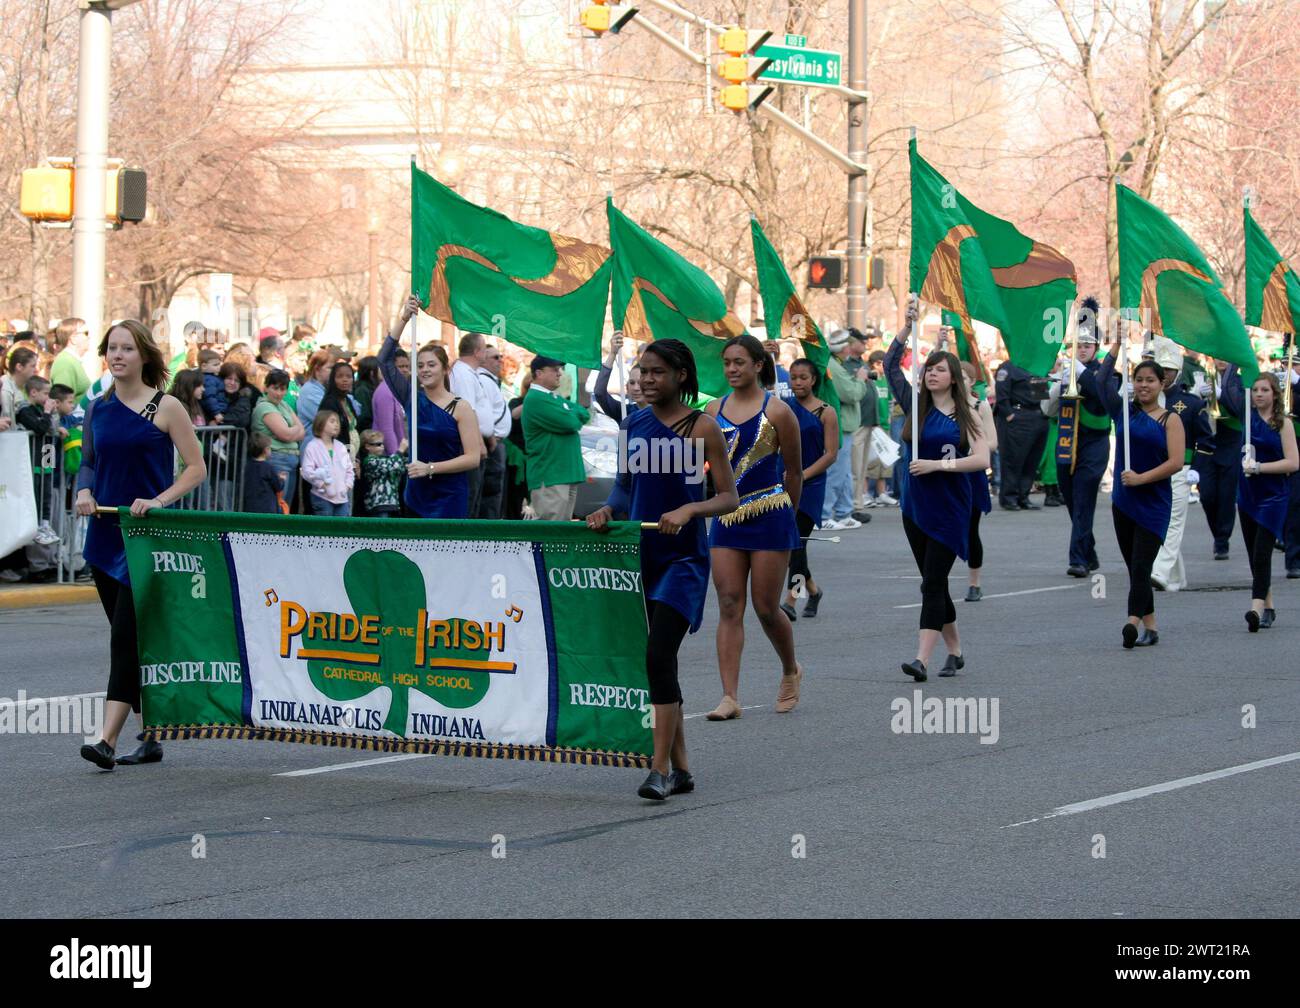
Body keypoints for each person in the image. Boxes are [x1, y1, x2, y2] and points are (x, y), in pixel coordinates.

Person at [586, 339, 738, 800]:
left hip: (684, 559)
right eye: (642, 372)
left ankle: (658, 771)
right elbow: (623, 490)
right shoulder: (632, 424)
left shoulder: (703, 428)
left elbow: (728, 497)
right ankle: (684, 767)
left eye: (656, 372)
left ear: (681, 377)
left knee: (657, 654)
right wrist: (606, 512)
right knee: (659, 661)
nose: (647, 380)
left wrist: (690, 511)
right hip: (641, 556)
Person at [74, 320, 207, 769]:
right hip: (104, 538)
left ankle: (106, 741)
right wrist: (84, 492)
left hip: (145, 541)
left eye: (127, 348)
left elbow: (195, 469)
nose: (117, 356)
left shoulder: (165, 407)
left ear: (144, 356)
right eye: (112, 348)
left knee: (125, 639)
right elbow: (88, 463)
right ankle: (151, 736)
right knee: (134, 641)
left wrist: (159, 499)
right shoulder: (98, 408)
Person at [885, 302, 990, 680]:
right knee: (934, 582)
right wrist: (907, 325)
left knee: (932, 582)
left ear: (953, 378)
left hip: (950, 507)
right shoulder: (916, 406)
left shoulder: (967, 413)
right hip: (915, 506)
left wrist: (938, 465)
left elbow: (981, 459)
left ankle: (921, 660)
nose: (932, 374)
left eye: (940, 369)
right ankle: (955, 650)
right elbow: (888, 365)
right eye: (929, 368)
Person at [704, 333, 804, 720]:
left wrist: (787, 518)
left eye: (739, 362)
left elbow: (794, 471)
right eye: (727, 362)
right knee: (729, 603)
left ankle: (790, 669)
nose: (731, 369)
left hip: (771, 515)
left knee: (765, 607)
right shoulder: (713, 410)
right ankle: (729, 696)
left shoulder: (778, 412)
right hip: (727, 517)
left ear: (758, 365)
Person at [1099, 351, 1184, 649]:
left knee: (1140, 567)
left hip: (1155, 504)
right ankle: (1152, 627)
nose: (1144, 385)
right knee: (1136, 569)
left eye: (1150, 380)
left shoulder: (1171, 420)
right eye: (1139, 379)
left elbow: (1175, 462)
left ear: (1163, 384)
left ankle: (1131, 623)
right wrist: (1115, 347)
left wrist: (1142, 478)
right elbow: (1100, 380)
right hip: (1124, 501)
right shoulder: (1124, 411)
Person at [377, 296, 484, 518]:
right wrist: (404, 318)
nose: (425, 370)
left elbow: (473, 458)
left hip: (450, 497)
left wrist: (430, 468)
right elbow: (384, 360)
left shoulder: (461, 407)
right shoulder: (411, 399)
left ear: (445, 369)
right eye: (420, 365)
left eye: (431, 365)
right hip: (417, 494)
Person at [1043, 298, 1115, 577]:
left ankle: (1078, 560)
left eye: (1087, 345)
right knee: (1072, 500)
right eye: (1078, 345)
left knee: (1084, 497)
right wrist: (1054, 389)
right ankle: (1090, 551)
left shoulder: (1103, 373)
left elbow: (1102, 399)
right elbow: (1047, 411)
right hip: (1066, 442)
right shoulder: (1066, 371)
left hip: (1094, 444)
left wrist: (1082, 375)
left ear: (1096, 348)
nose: (1082, 350)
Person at [1149, 337, 1212, 592]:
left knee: (1173, 520)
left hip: (1180, 469)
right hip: (1153, 470)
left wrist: (1196, 467)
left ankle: (1160, 571)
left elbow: (1206, 441)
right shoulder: (1144, 402)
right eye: (1161, 370)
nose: (1165, 375)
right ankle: (1176, 577)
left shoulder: (1190, 402)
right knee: (1158, 519)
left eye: (1170, 370)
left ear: (1177, 372)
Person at [1237, 371, 1298, 630]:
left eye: (1264, 390)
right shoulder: (1247, 419)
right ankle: (1269, 606)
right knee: (1253, 555)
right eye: (1256, 390)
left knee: (1262, 553)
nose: (1259, 394)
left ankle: (1255, 608)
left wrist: (1260, 467)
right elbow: (1230, 387)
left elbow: (1293, 462)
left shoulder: (1282, 423)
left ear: (1275, 394)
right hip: (1248, 494)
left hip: (1273, 496)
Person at [781, 358, 838, 621]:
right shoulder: (783, 408)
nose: (798, 382)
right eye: (793, 377)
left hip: (811, 484)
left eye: (803, 377)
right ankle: (813, 591)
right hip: (784, 482)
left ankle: (791, 600)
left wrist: (803, 475)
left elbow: (831, 454)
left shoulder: (826, 412)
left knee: (797, 541)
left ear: (813, 380)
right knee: (793, 543)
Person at [522, 354, 590, 521]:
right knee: (551, 537)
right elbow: (571, 422)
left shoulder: (551, 397)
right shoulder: (536, 398)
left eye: (559, 369)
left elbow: (584, 413)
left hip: (562, 474)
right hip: (550, 476)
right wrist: (569, 410)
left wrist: (568, 409)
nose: (559, 373)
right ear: (539, 373)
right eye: (554, 370)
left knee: (561, 537)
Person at [1198, 359, 1246, 560]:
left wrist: (1221, 394)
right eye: (1217, 356)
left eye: (1224, 356)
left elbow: (1239, 408)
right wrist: (1198, 395)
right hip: (1208, 441)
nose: (1220, 360)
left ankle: (1222, 540)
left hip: (1231, 440)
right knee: (1207, 495)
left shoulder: (1239, 380)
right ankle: (1217, 533)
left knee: (1226, 495)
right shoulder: (1203, 375)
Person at [821, 329, 867, 530]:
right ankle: (823, 515)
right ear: (843, 347)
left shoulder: (836, 365)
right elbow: (851, 394)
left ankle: (843, 512)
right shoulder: (835, 367)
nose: (850, 347)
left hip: (845, 426)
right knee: (837, 472)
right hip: (839, 427)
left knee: (844, 473)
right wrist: (861, 380)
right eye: (848, 344)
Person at [449, 332, 497, 517]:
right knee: (470, 496)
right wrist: (479, 443)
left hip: (477, 440)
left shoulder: (469, 373)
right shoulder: (462, 374)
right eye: (484, 349)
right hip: (469, 444)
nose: (486, 353)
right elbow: (468, 412)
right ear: (477, 352)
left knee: (476, 496)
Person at [994, 357, 1050, 510]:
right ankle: (1009, 497)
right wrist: (1010, 415)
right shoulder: (1008, 367)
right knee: (1013, 460)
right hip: (1018, 417)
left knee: (1031, 461)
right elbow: (1002, 395)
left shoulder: (1035, 366)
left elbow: (1041, 394)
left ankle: (1023, 496)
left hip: (1037, 416)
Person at [961, 361, 996, 601]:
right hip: (944, 473)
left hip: (971, 473)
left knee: (971, 529)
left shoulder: (980, 405)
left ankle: (974, 583)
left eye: (963, 376)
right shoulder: (938, 405)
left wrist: (975, 452)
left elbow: (992, 441)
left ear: (972, 381)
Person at [251, 369, 305, 510]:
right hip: (276, 460)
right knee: (277, 507)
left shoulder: (284, 405)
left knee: (285, 507)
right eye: (275, 388)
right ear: (266, 387)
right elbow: (285, 434)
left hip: (290, 462)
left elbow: (302, 431)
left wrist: (290, 431)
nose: (279, 393)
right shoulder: (264, 407)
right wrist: (292, 431)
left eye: (282, 389)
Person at [476, 342, 511, 519]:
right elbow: (483, 415)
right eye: (495, 357)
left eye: (501, 357)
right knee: (490, 493)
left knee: (495, 493)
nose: (500, 361)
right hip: (491, 443)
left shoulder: (490, 381)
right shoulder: (483, 380)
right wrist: (491, 441)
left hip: (496, 443)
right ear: (482, 360)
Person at [301, 410, 354, 516]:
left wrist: (347, 486)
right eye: (332, 421)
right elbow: (307, 471)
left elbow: (349, 469)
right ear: (321, 424)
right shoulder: (312, 447)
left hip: (342, 498)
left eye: (337, 422)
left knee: (341, 529)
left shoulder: (341, 446)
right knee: (324, 530)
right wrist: (321, 484)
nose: (336, 425)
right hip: (322, 497)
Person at [593, 332, 644, 422]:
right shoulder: (624, 412)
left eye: (640, 383)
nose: (636, 388)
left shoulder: (663, 413)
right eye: (632, 383)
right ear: (627, 387)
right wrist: (613, 353)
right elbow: (599, 393)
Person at [295, 348, 334, 452]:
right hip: (315, 452)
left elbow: (356, 410)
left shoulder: (328, 389)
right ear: (317, 369)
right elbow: (330, 420)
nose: (335, 372)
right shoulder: (309, 391)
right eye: (330, 368)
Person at [371, 348, 408, 455]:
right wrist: (396, 456)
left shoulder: (398, 389)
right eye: (401, 367)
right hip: (389, 456)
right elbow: (386, 429)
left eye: (407, 366)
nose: (405, 370)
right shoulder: (385, 392)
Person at [49, 317, 91, 400]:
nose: (89, 337)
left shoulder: (71, 361)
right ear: (73, 339)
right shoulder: (65, 363)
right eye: (86, 333)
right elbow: (61, 402)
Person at [243, 433, 284, 514]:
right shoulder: (268, 468)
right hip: (267, 507)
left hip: (250, 506)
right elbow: (278, 486)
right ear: (266, 450)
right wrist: (281, 479)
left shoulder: (248, 466)